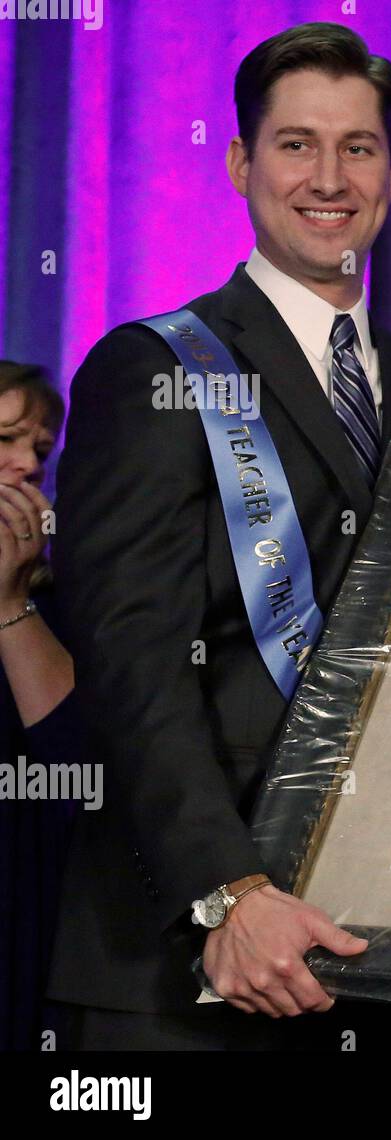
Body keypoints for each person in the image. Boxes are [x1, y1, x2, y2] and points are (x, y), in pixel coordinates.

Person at [47, 23, 391, 1051]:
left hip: (368, 961)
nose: (328, 177)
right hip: (182, 969)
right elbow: (131, 667)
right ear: (241, 163)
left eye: (359, 147)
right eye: (295, 144)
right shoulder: (154, 366)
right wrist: (225, 894)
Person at [0, 362, 81, 1049]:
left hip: (25, 895)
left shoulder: (62, 592)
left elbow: (72, 762)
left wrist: (10, 602)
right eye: (5, 440)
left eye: (41, 450)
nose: (26, 465)